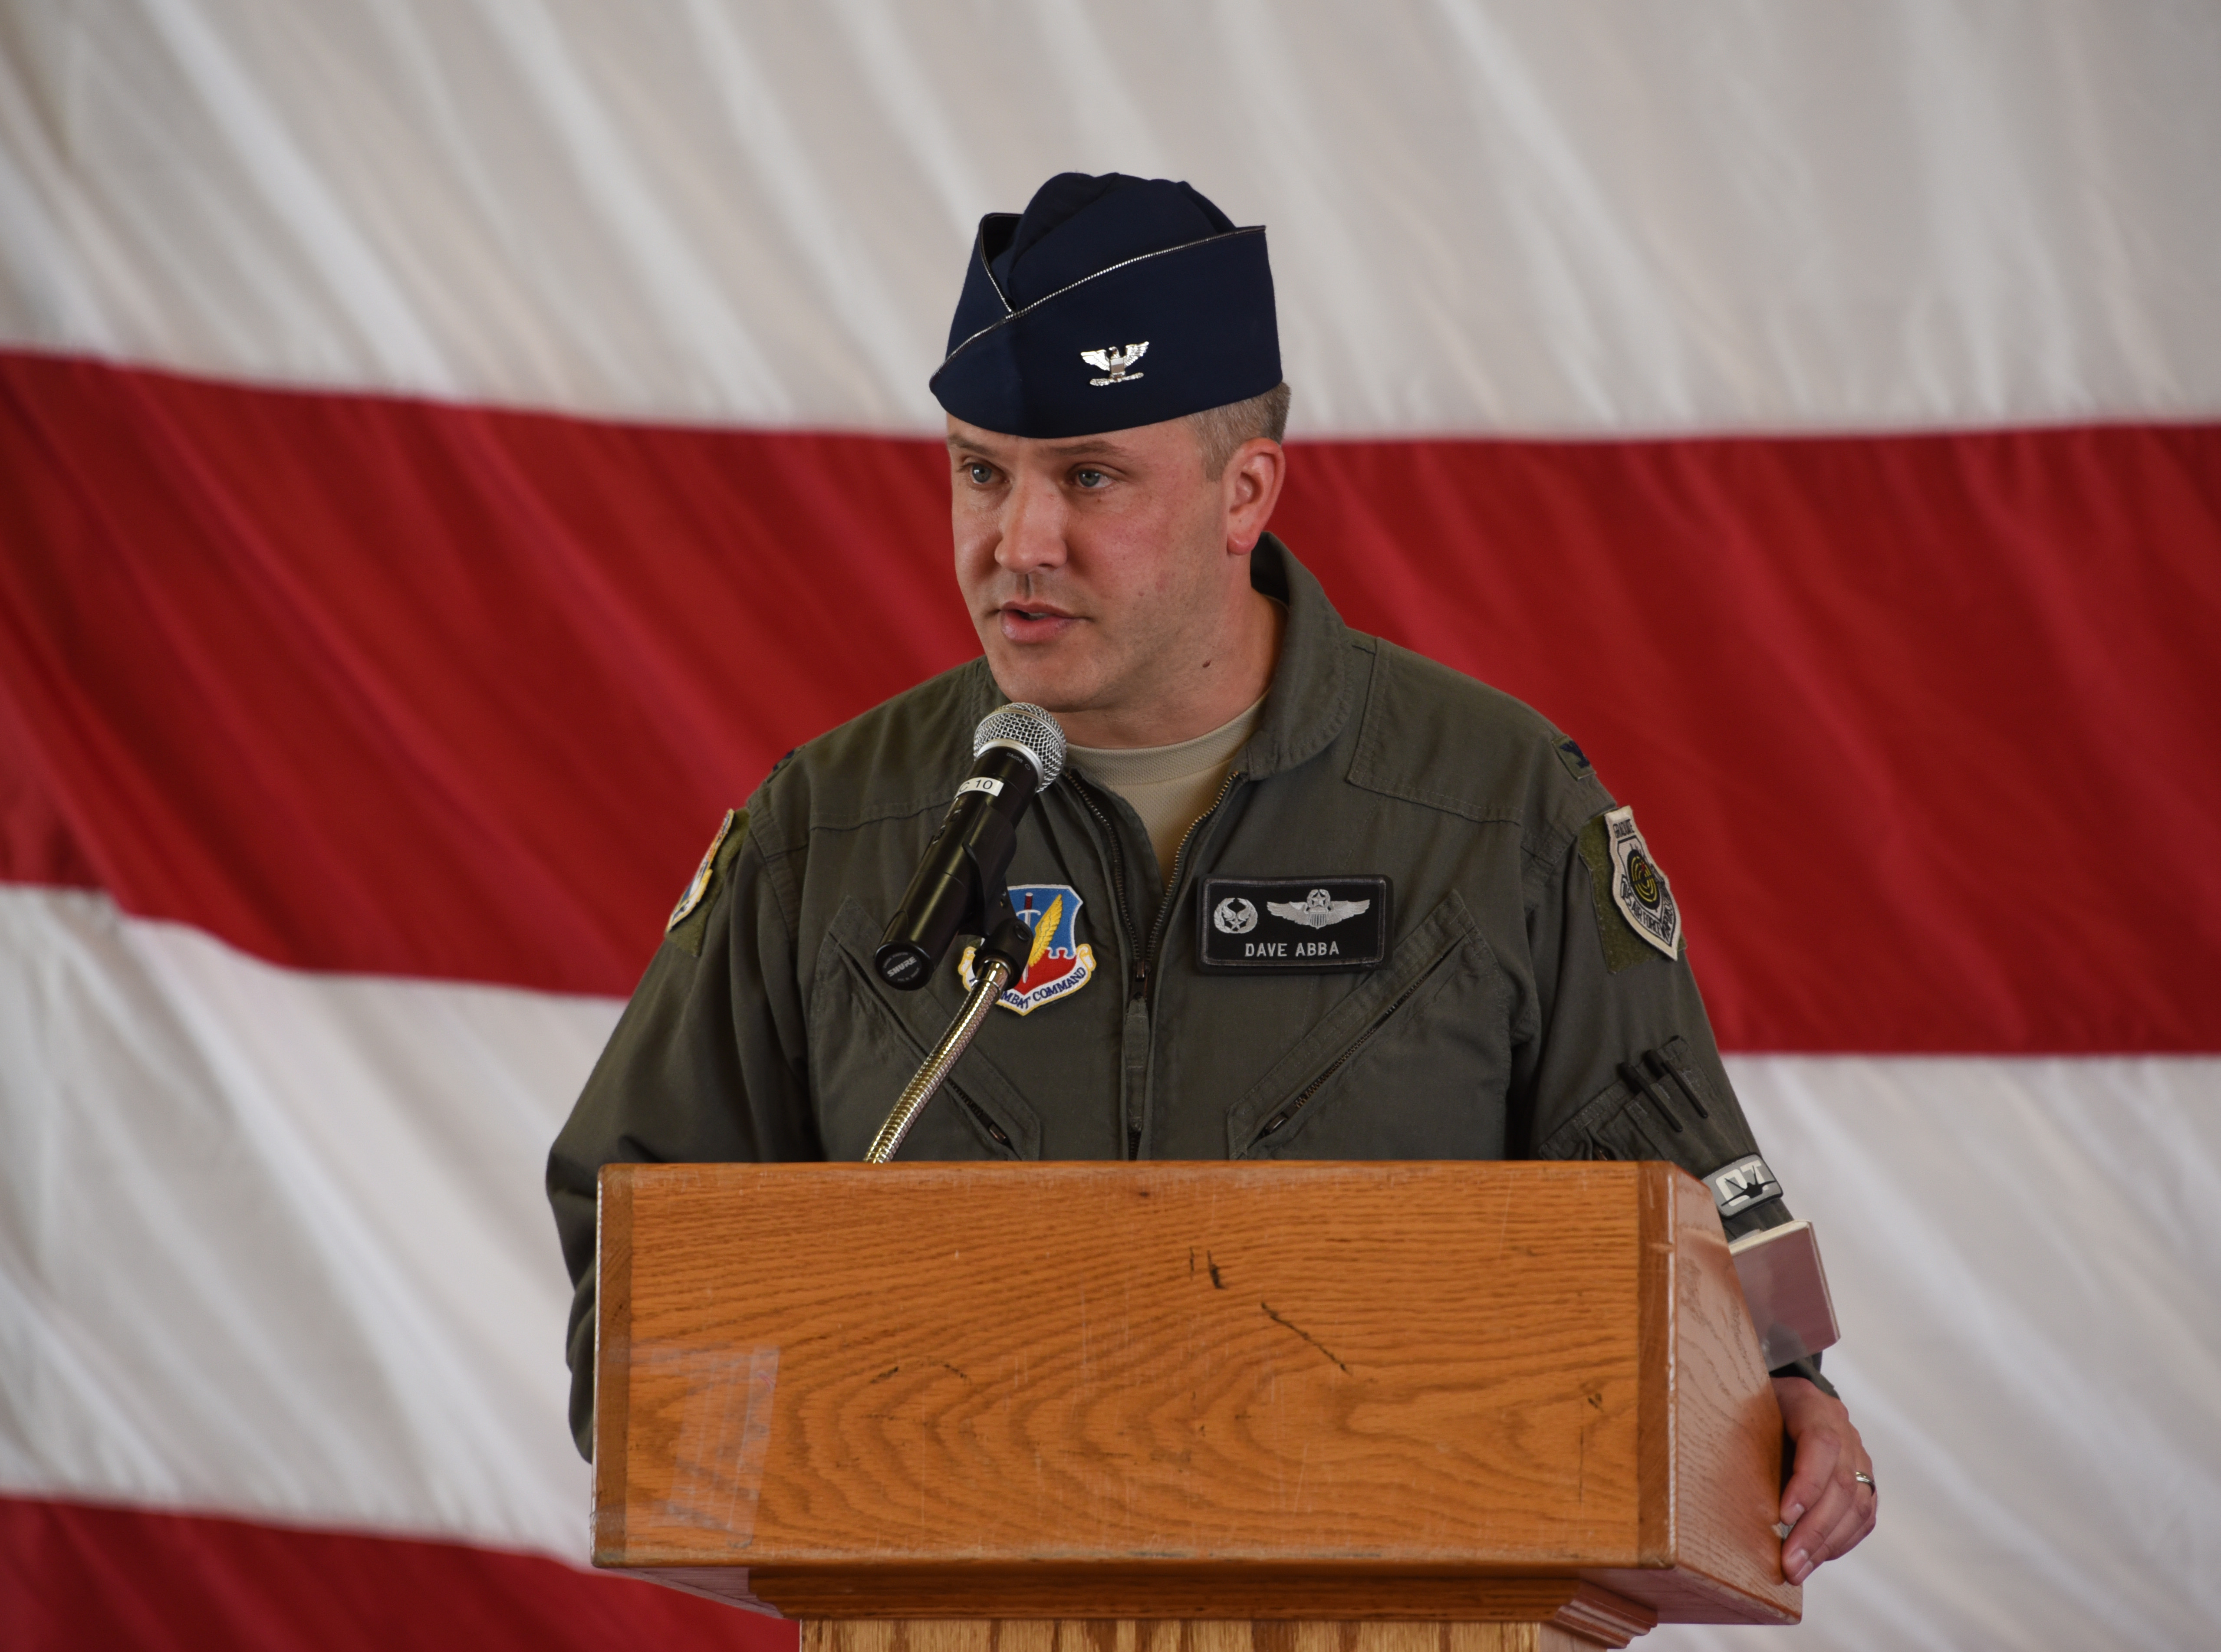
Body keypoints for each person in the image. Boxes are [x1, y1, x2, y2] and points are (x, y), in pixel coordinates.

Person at [546, 171, 1876, 1583]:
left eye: (1092, 478)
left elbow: (1687, 1227)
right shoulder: (835, 829)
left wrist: (1786, 1394)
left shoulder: (1495, 809)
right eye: (982, 470)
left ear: (1246, 490)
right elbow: (642, 1243)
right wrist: (821, 1462)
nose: (1018, 544)